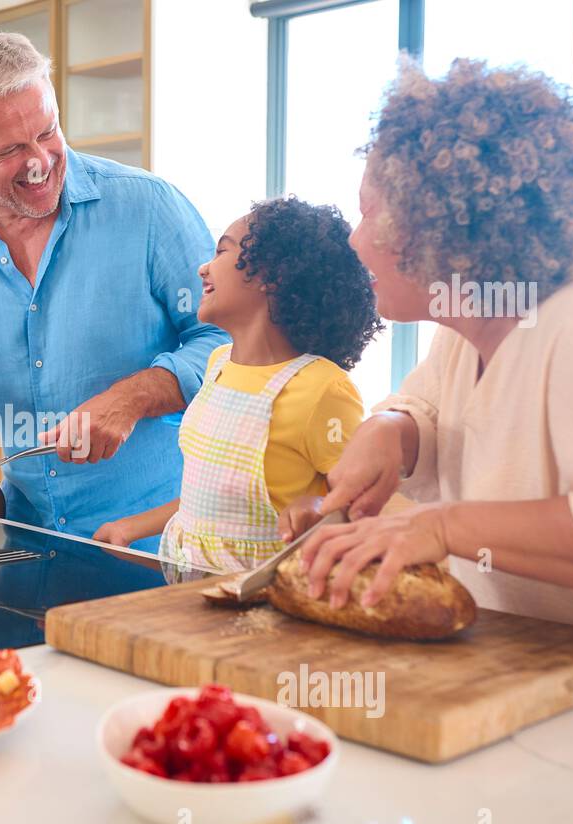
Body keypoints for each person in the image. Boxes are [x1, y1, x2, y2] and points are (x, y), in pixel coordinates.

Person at [286, 59, 573, 658]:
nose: (354, 239)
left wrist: (443, 526)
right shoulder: (472, 326)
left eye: (369, 212)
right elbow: (433, 408)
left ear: (444, 229)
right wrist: (391, 432)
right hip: (529, 672)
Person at [0, 32, 228, 547]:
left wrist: (134, 397)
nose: (39, 160)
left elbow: (228, 345)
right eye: (11, 150)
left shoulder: (148, 208)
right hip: (27, 535)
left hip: (161, 538)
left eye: (48, 131)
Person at [94, 197, 380, 574]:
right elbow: (208, 498)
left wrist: (315, 510)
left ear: (271, 275)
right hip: (190, 600)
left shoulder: (322, 388)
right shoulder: (218, 365)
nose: (202, 268)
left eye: (221, 251)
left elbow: (360, 504)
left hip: (266, 610)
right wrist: (131, 527)